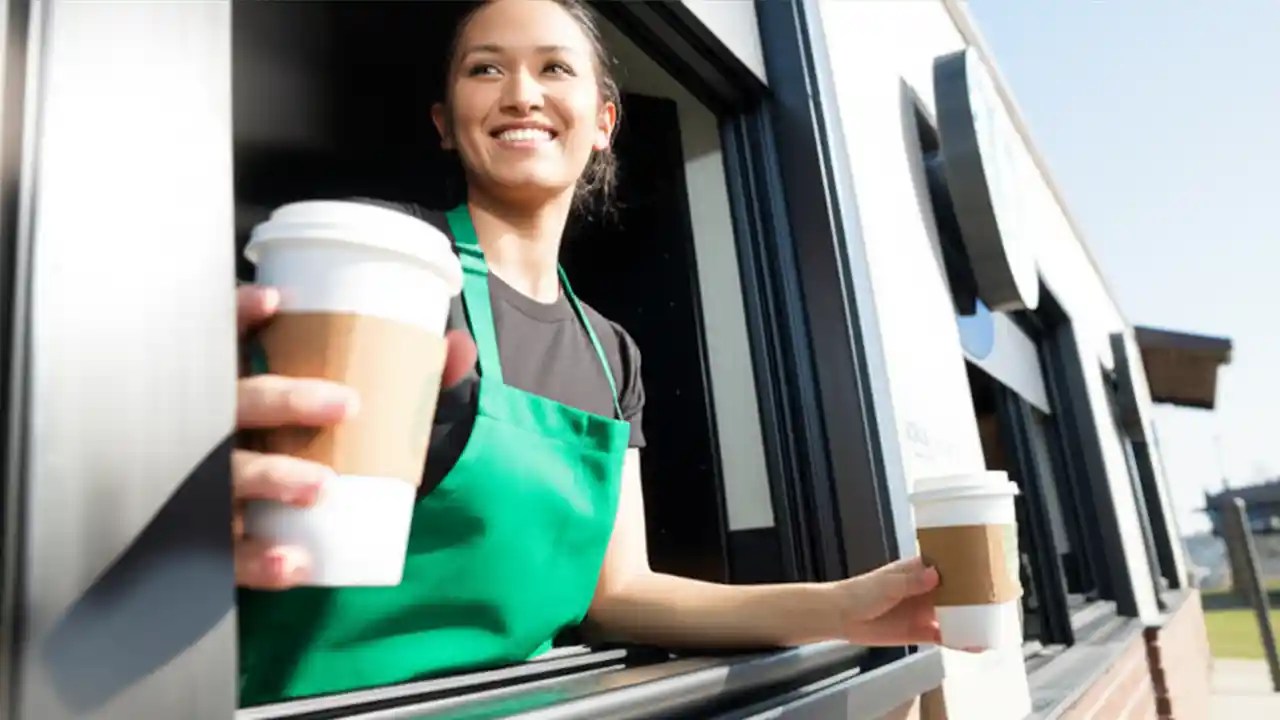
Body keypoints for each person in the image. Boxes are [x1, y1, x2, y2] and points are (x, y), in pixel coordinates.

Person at [234, 0, 941, 706]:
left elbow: (622, 591)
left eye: (554, 67)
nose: (520, 93)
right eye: (485, 69)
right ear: (445, 124)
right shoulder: (393, 269)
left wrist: (847, 608)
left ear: (603, 122)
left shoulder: (611, 354)